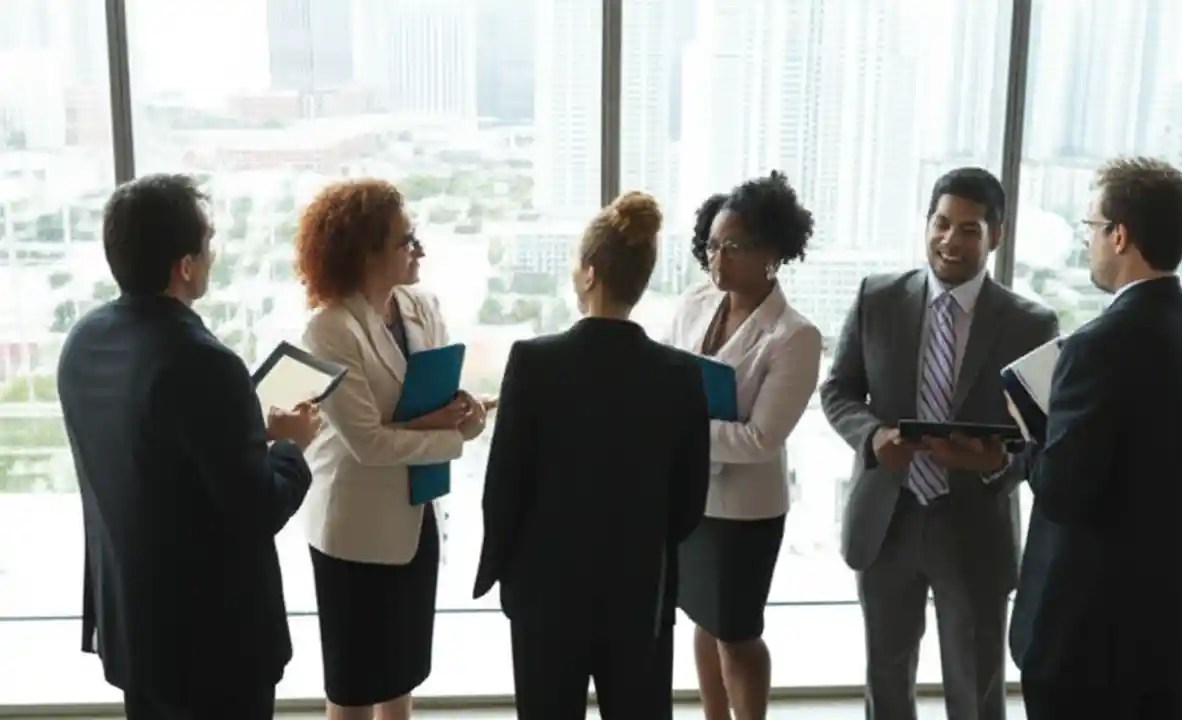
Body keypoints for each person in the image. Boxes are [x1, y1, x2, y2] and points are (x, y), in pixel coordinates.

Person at [57, 174, 319, 720]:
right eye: (208, 245)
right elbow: (258, 508)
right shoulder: (204, 360)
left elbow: (149, 451)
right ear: (185, 265)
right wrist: (291, 446)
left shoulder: (85, 340)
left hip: (134, 627)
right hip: (214, 646)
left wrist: (247, 431)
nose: (211, 256)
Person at [1010, 158, 1182, 720]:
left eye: (1090, 227)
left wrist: (1029, 438)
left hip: (1085, 636)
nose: (1088, 242)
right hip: (1172, 627)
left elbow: (1063, 489)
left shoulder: (1095, 346)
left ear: (1119, 235)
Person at [821, 167, 1058, 720]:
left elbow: (1039, 436)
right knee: (885, 680)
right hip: (887, 518)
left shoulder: (1031, 323)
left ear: (995, 236)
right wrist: (873, 437)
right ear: (927, 223)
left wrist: (995, 464)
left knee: (974, 688)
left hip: (973, 522)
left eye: (969, 229)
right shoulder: (876, 298)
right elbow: (838, 390)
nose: (951, 240)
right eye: (941, 223)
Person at [473, 191, 710, 719]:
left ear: (588, 274)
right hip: (638, 591)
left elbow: (503, 489)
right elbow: (690, 502)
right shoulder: (680, 375)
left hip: (545, 595)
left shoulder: (534, 363)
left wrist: (502, 572)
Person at [296, 179, 488, 720]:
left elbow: (439, 395)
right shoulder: (329, 330)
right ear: (366, 253)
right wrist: (447, 431)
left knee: (401, 680)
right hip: (353, 532)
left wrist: (465, 414)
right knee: (355, 693)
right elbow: (370, 444)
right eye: (406, 240)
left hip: (412, 517)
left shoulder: (419, 306)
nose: (418, 250)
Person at [665, 171, 822, 720]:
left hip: (744, 513)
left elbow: (760, 439)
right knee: (703, 620)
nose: (719, 258)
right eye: (712, 244)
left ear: (771, 253)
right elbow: (666, 376)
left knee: (736, 631)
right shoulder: (693, 303)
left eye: (734, 246)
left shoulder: (795, 336)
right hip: (689, 499)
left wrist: (681, 427)